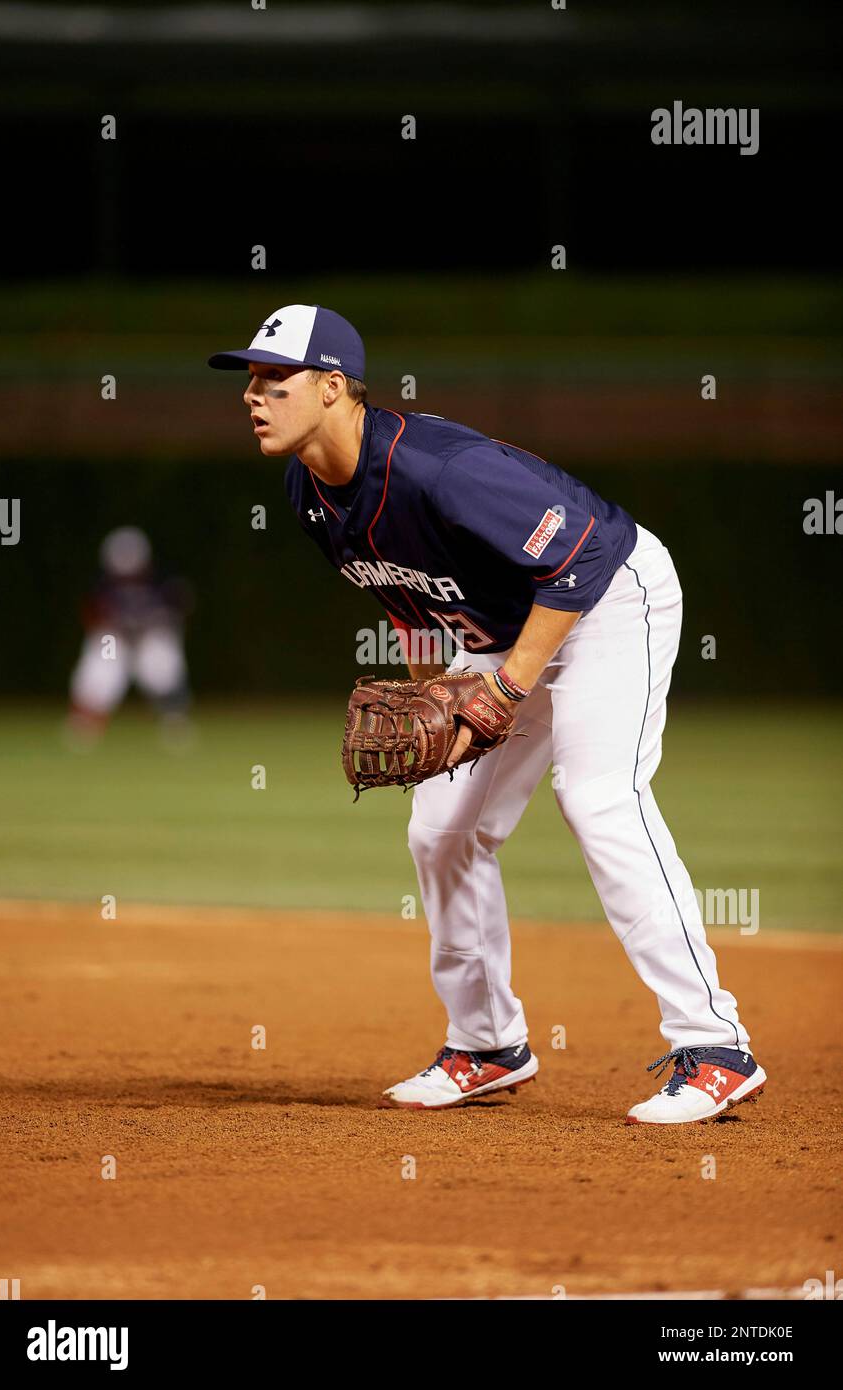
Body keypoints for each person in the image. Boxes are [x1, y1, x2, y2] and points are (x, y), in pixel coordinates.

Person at [209, 304, 767, 1125]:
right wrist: (437, 702)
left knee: (599, 798)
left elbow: (575, 560)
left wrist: (504, 694)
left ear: (334, 387)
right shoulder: (310, 491)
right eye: (250, 380)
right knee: (441, 828)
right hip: (506, 630)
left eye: (273, 379)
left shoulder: (441, 469)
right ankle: (486, 1045)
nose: (253, 396)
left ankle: (717, 1045)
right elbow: (405, 598)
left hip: (610, 596)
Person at [67, 527, 193, 746]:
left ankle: (173, 718)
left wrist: (150, 628)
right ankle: (86, 720)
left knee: (160, 658)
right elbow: (91, 618)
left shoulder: (162, 583)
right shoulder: (102, 586)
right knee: (103, 658)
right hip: (117, 640)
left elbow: (179, 612)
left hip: (148, 638)